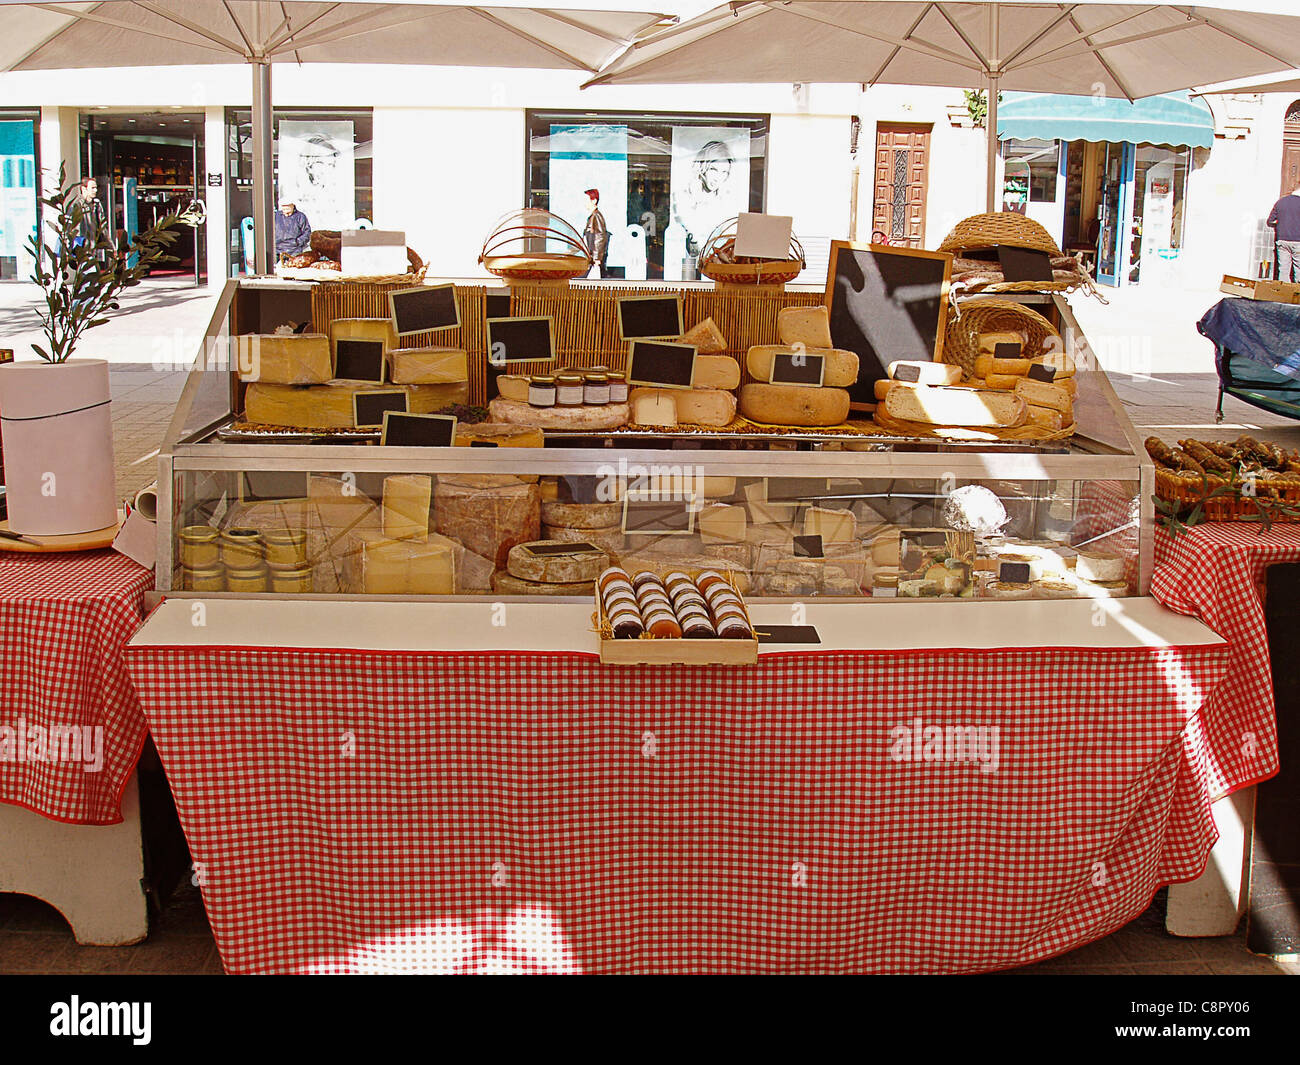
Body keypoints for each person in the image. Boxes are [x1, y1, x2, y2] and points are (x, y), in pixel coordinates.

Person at [1267, 182, 1300, 282]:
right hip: (1298, 241)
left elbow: (1270, 221)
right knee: (1298, 270)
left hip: (1282, 240)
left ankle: (1282, 295)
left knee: (1283, 270)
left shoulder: (1281, 202)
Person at [583, 188, 609, 278]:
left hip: (594, 259)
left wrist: (597, 257)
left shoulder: (596, 216)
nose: (584, 203)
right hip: (592, 257)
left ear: (594, 201)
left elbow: (600, 236)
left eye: (586, 200)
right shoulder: (593, 216)